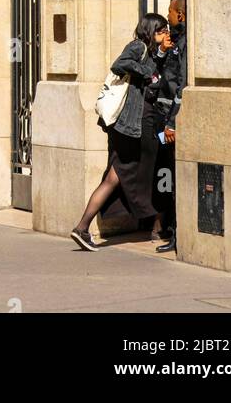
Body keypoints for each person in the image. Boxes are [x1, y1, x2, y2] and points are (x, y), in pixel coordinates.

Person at [70, 13, 171, 251]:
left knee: (114, 178)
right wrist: (149, 72)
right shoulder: (137, 46)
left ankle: (82, 228)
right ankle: (157, 225)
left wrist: (161, 55)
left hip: (131, 127)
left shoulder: (152, 52)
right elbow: (119, 64)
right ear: (151, 30)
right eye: (162, 30)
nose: (166, 34)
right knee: (151, 170)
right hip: (133, 127)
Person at [153, 0, 188, 254]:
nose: (168, 17)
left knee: (172, 174)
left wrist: (173, 123)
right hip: (163, 118)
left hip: (172, 122)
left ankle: (174, 233)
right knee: (164, 169)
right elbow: (163, 71)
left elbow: (181, 84)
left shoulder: (185, 41)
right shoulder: (173, 40)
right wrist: (162, 50)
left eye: (171, 12)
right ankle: (165, 227)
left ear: (181, 15)